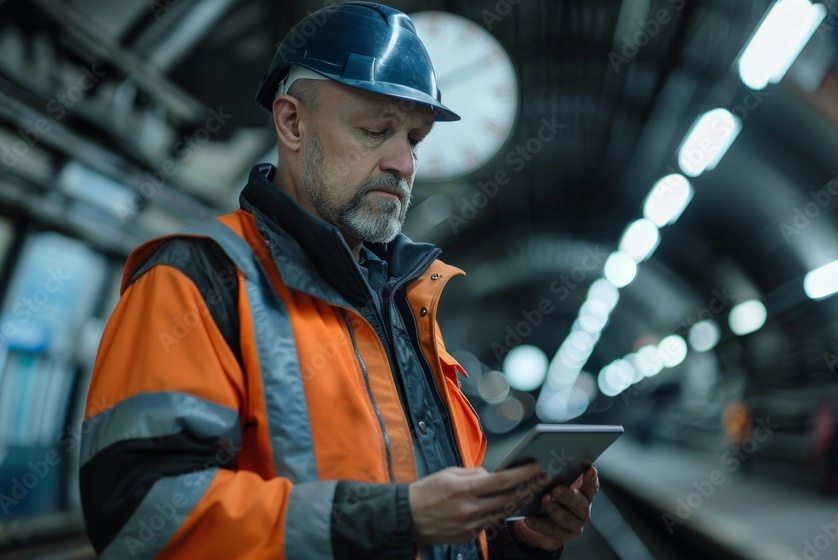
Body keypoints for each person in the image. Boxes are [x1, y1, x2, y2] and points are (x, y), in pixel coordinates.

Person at [78, 3, 598, 559]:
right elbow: (141, 517)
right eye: (376, 130)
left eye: (415, 139)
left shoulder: (403, 303)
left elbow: (428, 527)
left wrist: (515, 539)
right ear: (292, 123)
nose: (403, 162)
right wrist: (392, 518)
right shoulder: (200, 281)